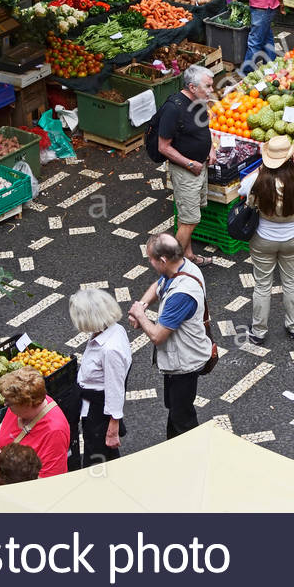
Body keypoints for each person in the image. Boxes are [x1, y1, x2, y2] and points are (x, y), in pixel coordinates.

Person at [130, 233, 212, 440]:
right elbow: (159, 285)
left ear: (163, 260)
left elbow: (158, 336)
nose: (149, 262)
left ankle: (194, 454)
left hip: (184, 362)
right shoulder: (182, 267)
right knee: (175, 410)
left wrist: (140, 315)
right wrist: (143, 304)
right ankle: (173, 448)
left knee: (183, 417)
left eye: (150, 258)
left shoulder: (181, 294)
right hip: (178, 359)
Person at [239, 136, 294, 344]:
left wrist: (258, 171)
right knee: (290, 281)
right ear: (290, 159)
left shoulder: (257, 181)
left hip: (263, 239)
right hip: (293, 239)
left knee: (262, 285)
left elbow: (241, 189)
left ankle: (259, 331)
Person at [157, 65, 218, 265]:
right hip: (187, 172)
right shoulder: (173, 109)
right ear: (192, 87)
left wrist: (209, 149)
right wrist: (190, 163)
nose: (211, 90)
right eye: (208, 86)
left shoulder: (199, 102)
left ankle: (188, 255)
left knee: (187, 218)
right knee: (190, 220)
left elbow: (203, 129)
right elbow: (163, 147)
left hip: (199, 168)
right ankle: (172, 267)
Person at [70, 289, 132, 468]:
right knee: (106, 457)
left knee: (96, 459)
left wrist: (113, 429)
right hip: (93, 405)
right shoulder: (113, 330)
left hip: (98, 413)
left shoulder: (109, 349)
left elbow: (115, 388)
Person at [0, 367, 71, 481]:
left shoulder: (54, 431)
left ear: (27, 404)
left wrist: (2, 476)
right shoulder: (20, 407)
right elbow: (4, 426)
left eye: (9, 403)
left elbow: (49, 482)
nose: (5, 404)